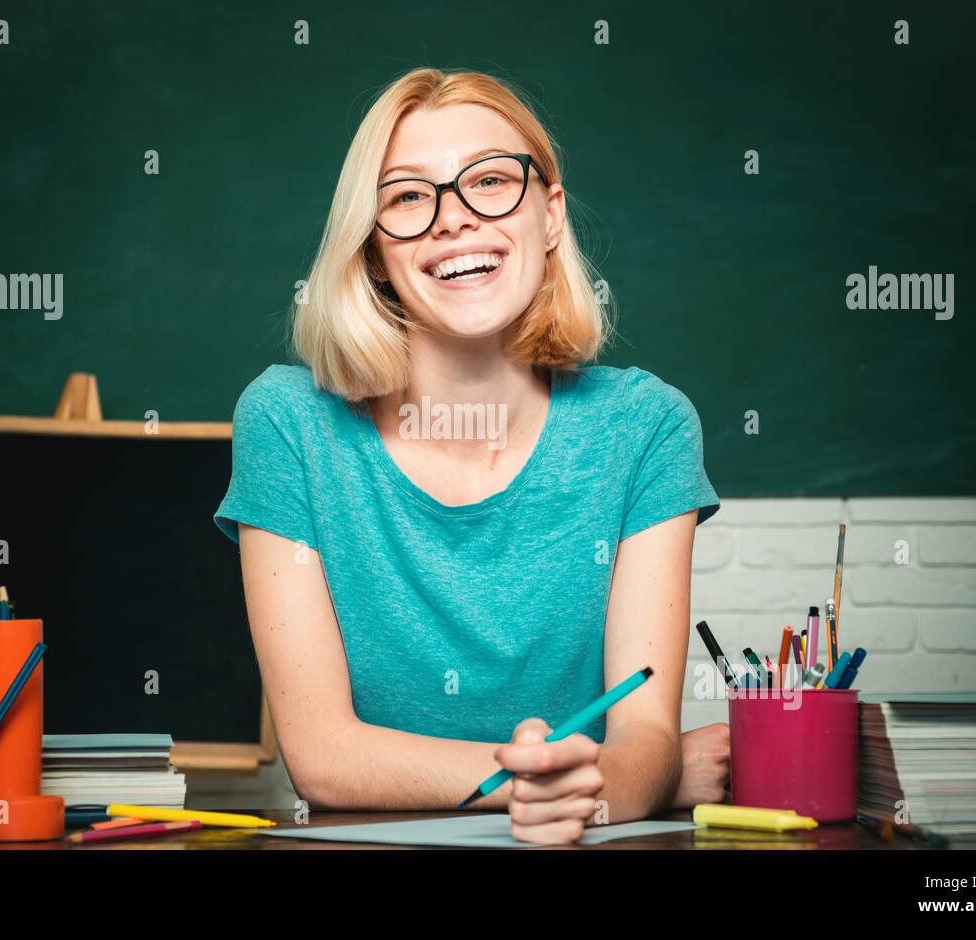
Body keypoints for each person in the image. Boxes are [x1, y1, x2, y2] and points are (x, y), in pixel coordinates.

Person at [215, 67, 729, 844]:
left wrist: (631, 777)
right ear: (374, 249)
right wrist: (589, 782)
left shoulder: (646, 427)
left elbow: (645, 738)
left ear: (550, 216)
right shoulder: (288, 423)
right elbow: (322, 759)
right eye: (409, 196)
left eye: (491, 180)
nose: (454, 219)